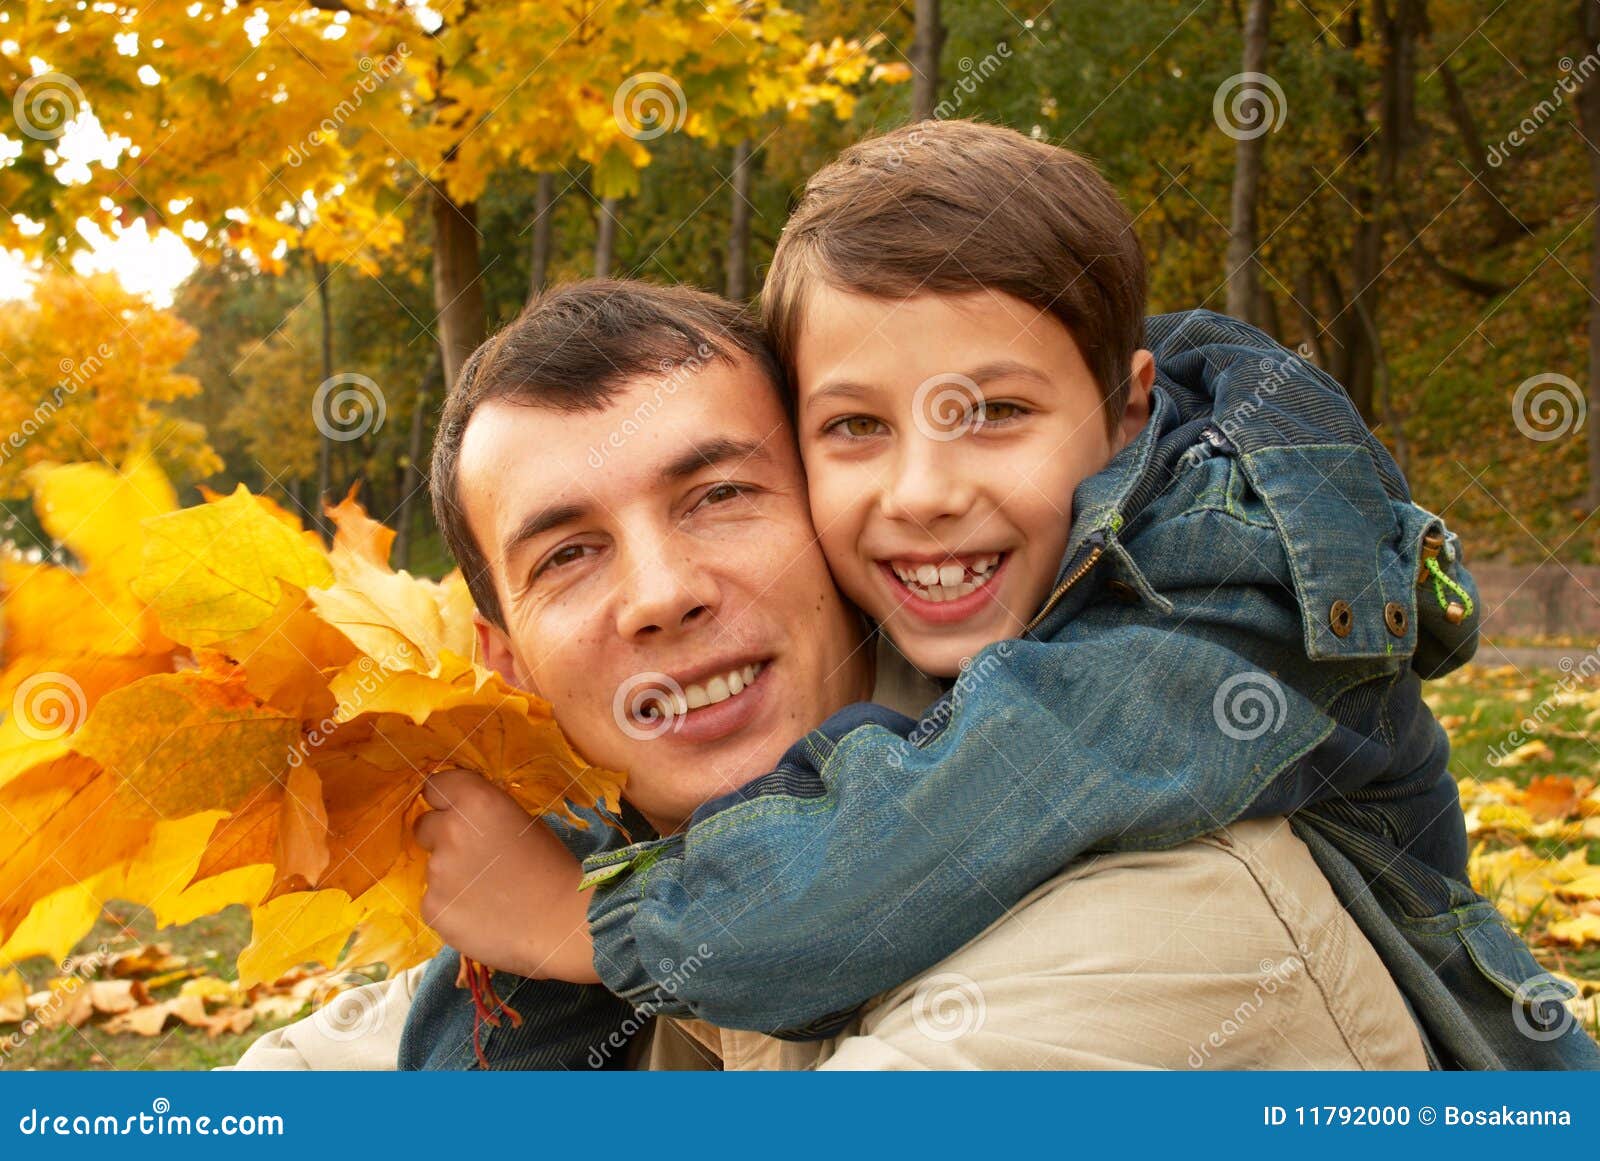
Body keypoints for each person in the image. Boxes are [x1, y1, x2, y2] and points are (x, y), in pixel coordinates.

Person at [409, 122, 1598, 1070]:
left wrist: (582, 927)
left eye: (716, 495)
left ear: (1126, 416)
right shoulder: (829, 747)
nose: (922, 492)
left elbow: (976, 800)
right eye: (855, 427)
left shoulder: (1203, 631)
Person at [230, 281, 1426, 1070]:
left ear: (843, 519)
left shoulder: (1153, 901)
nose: (661, 594)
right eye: (570, 553)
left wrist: (580, 928)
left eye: (721, 495)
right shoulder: (611, 883)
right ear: (507, 663)